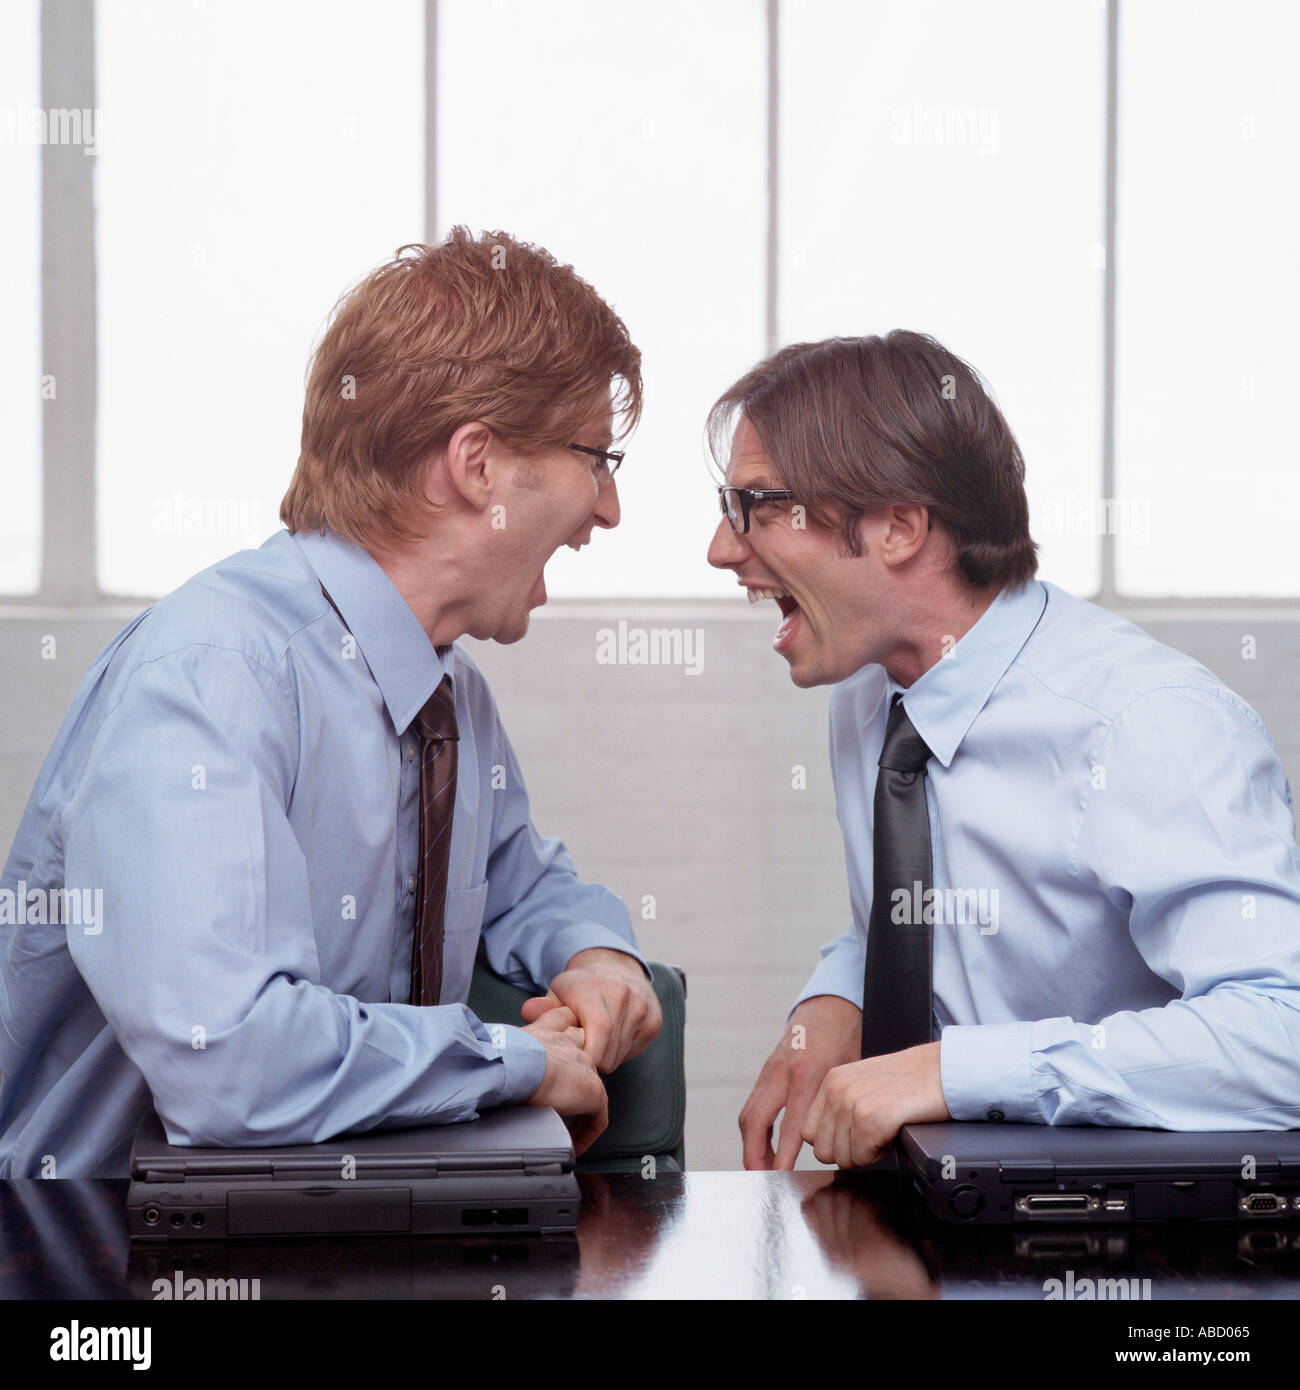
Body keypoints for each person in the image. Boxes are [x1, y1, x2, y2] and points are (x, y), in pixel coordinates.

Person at [0, 227, 660, 1178]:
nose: (608, 509)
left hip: (341, 1219)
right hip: (102, 1251)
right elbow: (226, 1058)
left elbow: (524, 882)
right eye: (597, 458)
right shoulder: (211, 674)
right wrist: (513, 1060)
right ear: (478, 466)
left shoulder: (450, 697)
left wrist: (598, 955)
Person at [707, 331, 1300, 1171]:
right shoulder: (870, 694)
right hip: (930, 1220)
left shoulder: (1146, 724)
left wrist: (955, 1073)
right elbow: (925, 916)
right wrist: (841, 996)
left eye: (759, 505)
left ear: (900, 527)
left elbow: (1285, 1034)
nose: (722, 548)